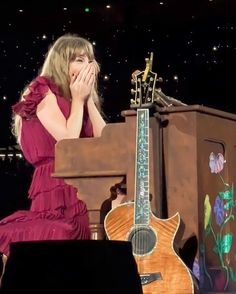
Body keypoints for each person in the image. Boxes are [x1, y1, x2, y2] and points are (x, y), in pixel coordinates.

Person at [0, 33, 106, 281]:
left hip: (87, 185)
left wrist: (88, 99)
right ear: (62, 62)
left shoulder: (79, 98)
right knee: (64, 242)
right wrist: (79, 100)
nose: (88, 66)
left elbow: (105, 142)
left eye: (90, 60)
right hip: (55, 183)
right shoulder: (41, 89)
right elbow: (68, 144)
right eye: (79, 59)